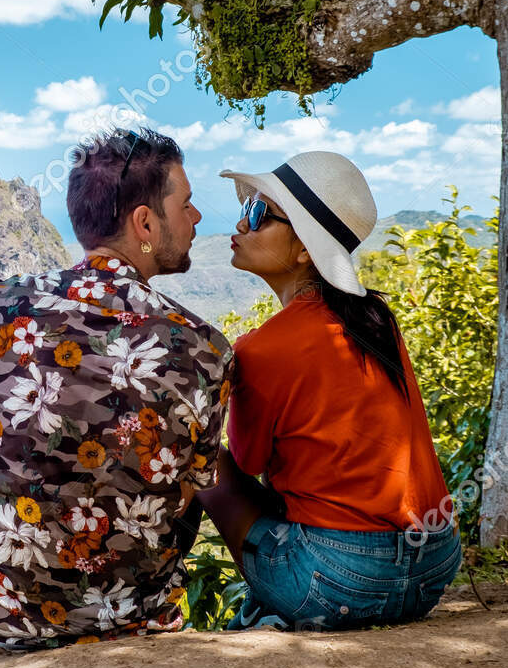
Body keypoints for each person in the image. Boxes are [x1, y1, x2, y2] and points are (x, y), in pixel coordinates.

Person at [0, 128, 233, 663]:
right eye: (187, 204)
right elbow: (190, 493)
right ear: (145, 223)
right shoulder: (205, 348)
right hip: (128, 611)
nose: (196, 217)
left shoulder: (1, 305)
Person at [198, 150, 462, 631]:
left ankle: (261, 601)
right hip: (435, 564)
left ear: (305, 249)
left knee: (198, 454)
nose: (239, 223)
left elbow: (248, 464)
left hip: (343, 581)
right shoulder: (375, 319)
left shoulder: (261, 349)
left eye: (258, 214)